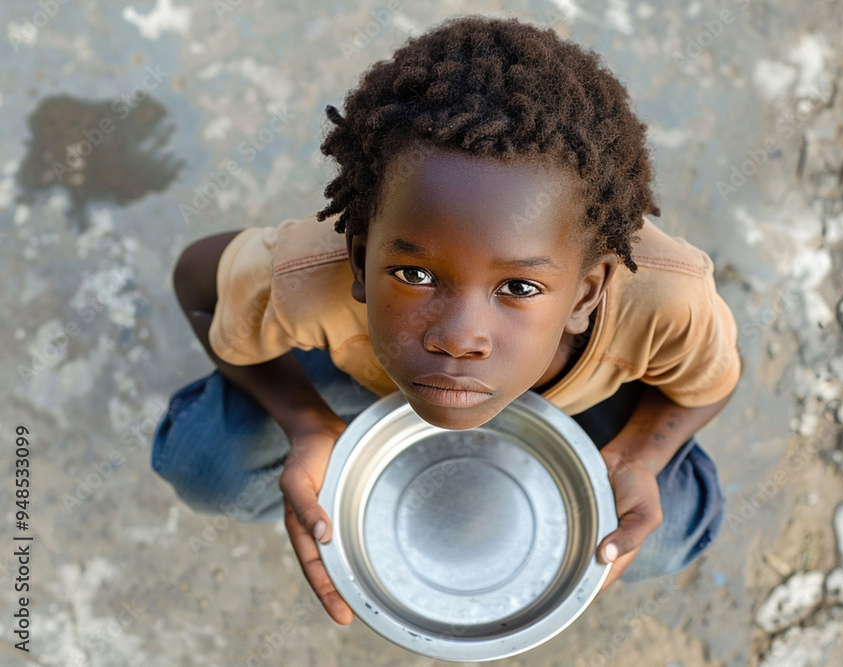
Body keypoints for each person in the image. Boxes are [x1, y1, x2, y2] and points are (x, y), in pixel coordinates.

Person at [152, 14, 742, 627]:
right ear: (360, 257)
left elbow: (711, 383)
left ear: (585, 295)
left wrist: (638, 456)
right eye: (415, 274)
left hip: (587, 404)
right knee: (205, 464)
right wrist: (307, 423)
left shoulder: (664, 299)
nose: (459, 338)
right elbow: (197, 282)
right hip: (368, 372)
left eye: (519, 287)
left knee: (663, 536)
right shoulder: (312, 273)